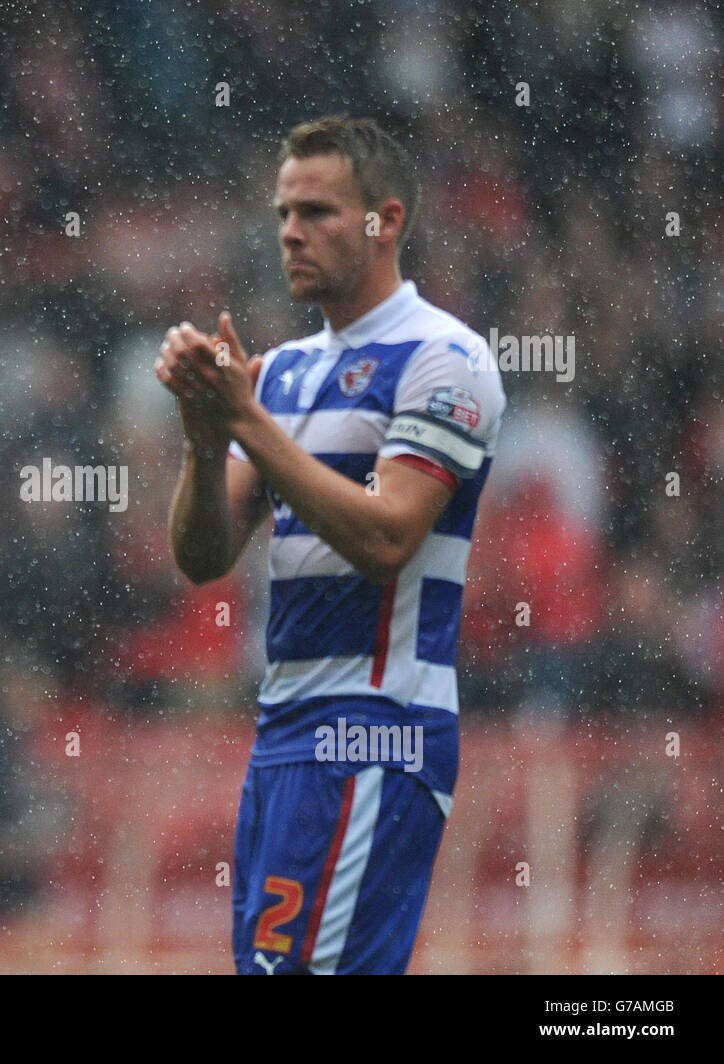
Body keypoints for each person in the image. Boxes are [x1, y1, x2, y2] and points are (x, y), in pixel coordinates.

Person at [156, 116, 505, 974]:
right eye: (282, 213)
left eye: (316, 211)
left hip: (378, 729)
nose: (290, 232)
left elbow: (388, 538)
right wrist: (206, 435)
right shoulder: (280, 373)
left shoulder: (445, 356)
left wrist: (246, 421)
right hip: (283, 729)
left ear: (386, 220)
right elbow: (203, 558)